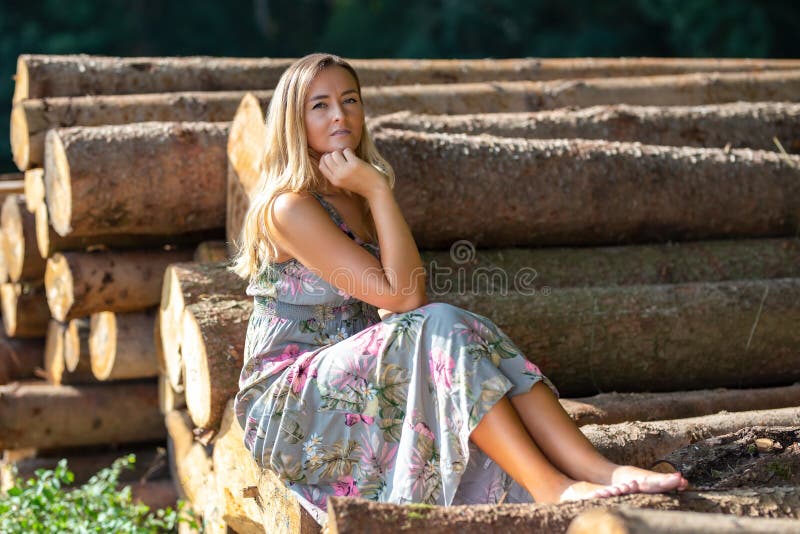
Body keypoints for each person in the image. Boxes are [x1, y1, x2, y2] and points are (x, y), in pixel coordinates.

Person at [230, 52, 688, 526]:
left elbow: (413, 300)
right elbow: (405, 299)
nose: (340, 115)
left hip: (356, 379)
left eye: (349, 100)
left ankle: (600, 470)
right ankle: (552, 487)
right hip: (290, 404)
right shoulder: (289, 208)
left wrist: (373, 193)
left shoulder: (354, 191)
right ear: (293, 119)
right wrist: (382, 191)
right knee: (445, 320)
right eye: (319, 105)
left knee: (467, 326)